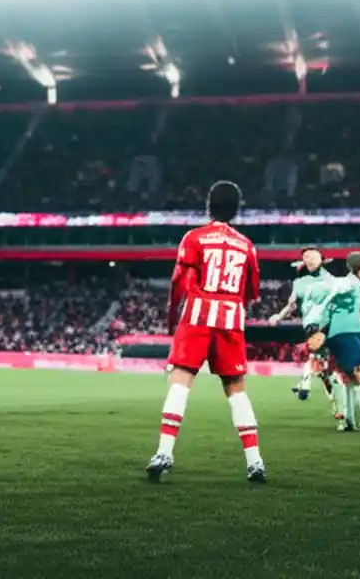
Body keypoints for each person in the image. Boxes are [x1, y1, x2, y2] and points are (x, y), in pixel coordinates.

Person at [145, 180, 265, 483]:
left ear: (209, 205)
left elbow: (179, 281)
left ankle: (164, 452)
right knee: (236, 389)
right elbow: (252, 291)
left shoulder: (194, 237)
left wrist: (174, 319)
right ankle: (255, 461)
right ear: (237, 209)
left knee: (181, 381)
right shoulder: (247, 245)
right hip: (231, 318)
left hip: (198, 314)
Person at [302, 252, 360, 435]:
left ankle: (350, 421)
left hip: (350, 332)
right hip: (346, 333)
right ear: (358, 266)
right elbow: (334, 287)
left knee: (350, 379)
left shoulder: (353, 284)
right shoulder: (349, 282)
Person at [268, 248, 340, 416]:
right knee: (323, 368)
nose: (310, 260)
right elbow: (292, 305)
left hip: (332, 324)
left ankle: (307, 384)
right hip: (312, 326)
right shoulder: (299, 284)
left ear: (322, 259)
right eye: (306, 257)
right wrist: (278, 316)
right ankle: (335, 405)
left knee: (325, 366)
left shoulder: (332, 281)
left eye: (313, 256)